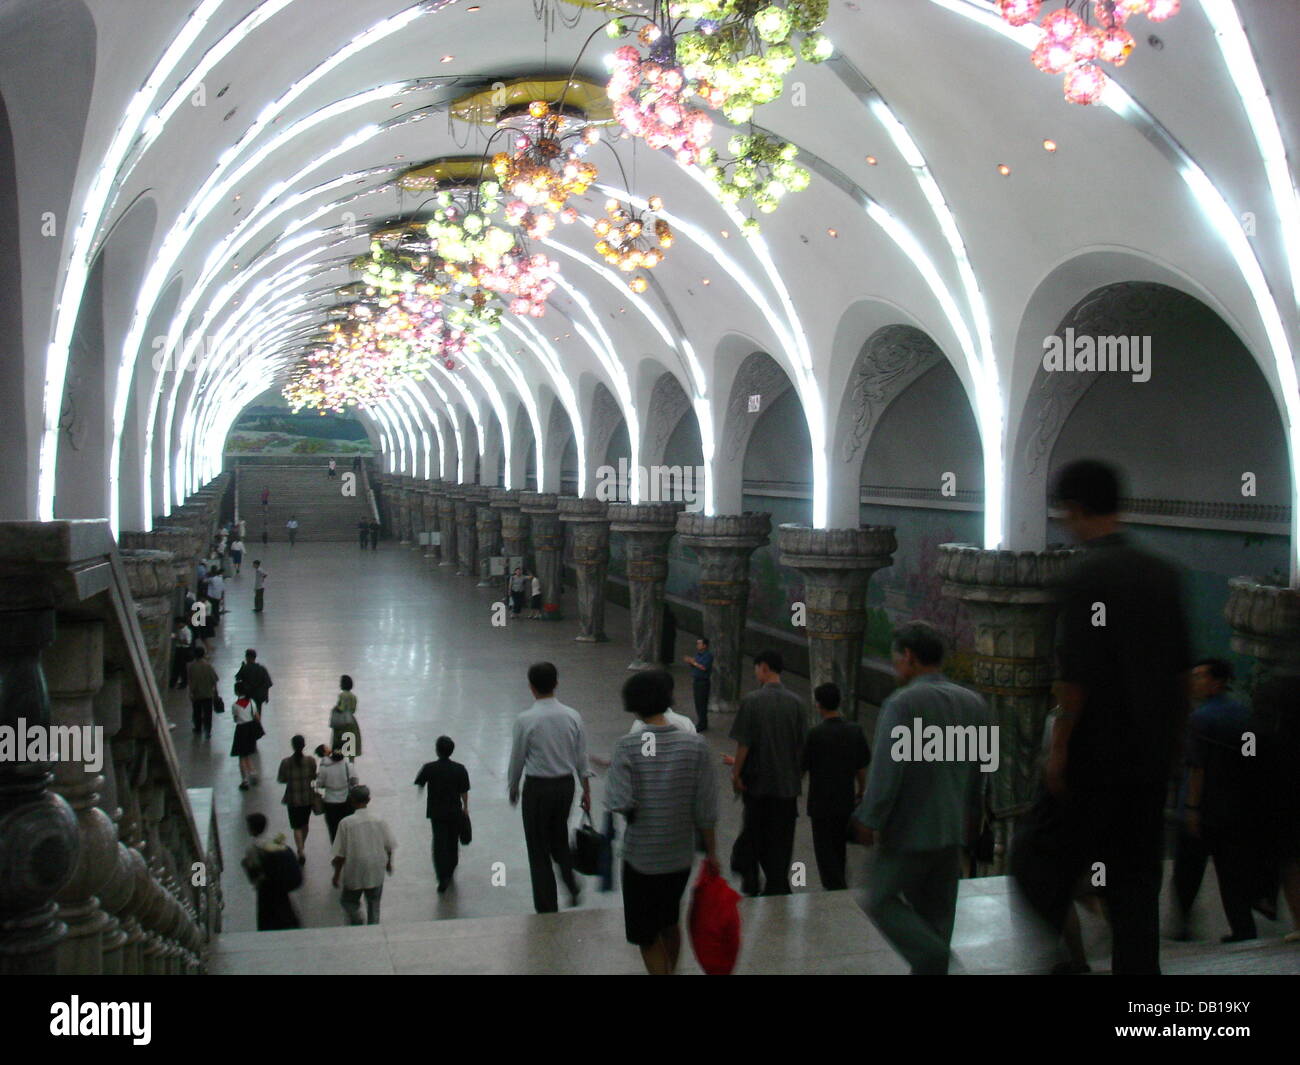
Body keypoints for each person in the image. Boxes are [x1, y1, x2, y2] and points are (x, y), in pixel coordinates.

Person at [1013, 459, 1191, 976]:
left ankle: (1067, 964)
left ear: (1074, 508)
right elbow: (1183, 674)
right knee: (1136, 882)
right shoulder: (1164, 574)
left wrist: (1060, 750)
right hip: (1148, 762)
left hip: (1094, 759)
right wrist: (1174, 746)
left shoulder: (1086, 574)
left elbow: (1077, 678)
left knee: (1033, 860)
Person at [851, 621, 990, 974]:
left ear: (909, 656)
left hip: (909, 831)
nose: (895, 665)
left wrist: (869, 818)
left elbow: (887, 768)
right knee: (938, 917)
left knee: (881, 900)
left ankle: (937, 959)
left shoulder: (904, 703)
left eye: (896, 658)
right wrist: (973, 816)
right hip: (952, 831)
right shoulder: (974, 703)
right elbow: (980, 769)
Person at [606, 668, 720, 975]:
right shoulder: (695, 746)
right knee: (670, 920)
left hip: (641, 857)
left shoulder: (627, 746)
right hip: (680, 856)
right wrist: (711, 854)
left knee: (645, 934)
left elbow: (619, 801)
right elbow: (706, 809)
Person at [1172, 658, 1258, 942]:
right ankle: (1243, 927)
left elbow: (1197, 767)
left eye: (1200, 677)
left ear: (1216, 682)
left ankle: (1182, 924)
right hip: (1234, 805)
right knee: (1232, 872)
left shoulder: (1200, 719)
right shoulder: (1243, 712)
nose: (1195, 682)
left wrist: (1192, 807)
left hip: (1203, 807)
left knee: (1188, 870)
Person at [507, 661, 592, 914]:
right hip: (565, 786)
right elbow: (581, 757)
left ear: (531, 687)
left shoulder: (525, 720)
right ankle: (571, 883)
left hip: (537, 789)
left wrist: (513, 786)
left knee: (538, 847)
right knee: (558, 837)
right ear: (556, 683)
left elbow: (518, 758)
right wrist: (586, 790)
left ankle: (546, 905)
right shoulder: (572, 715)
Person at [730, 649, 806, 896]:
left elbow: (744, 744)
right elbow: (802, 747)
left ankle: (750, 878)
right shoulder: (797, 703)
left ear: (763, 667)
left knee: (753, 830)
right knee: (782, 838)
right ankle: (778, 883)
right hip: (786, 788)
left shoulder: (752, 701)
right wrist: (796, 777)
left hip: (758, 784)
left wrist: (736, 774)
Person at [802, 682, 871, 891]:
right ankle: (839, 881)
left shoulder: (815, 734)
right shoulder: (855, 731)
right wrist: (861, 790)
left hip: (820, 802)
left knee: (824, 849)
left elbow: (803, 766)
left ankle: (834, 887)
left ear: (819, 705)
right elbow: (861, 766)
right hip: (845, 799)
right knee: (839, 846)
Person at [332, 785, 395, 925]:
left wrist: (336, 874)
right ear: (369, 800)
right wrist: (389, 863)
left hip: (354, 868)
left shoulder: (346, 823)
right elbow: (389, 845)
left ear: (352, 801)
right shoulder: (379, 820)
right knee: (374, 903)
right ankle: (373, 928)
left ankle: (357, 919)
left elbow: (340, 854)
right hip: (375, 867)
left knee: (348, 901)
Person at [414, 736, 471, 893]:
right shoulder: (460, 769)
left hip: (436, 812)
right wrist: (465, 808)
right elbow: (464, 791)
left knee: (439, 842)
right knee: (452, 841)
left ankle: (442, 876)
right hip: (454, 811)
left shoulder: (429, 768)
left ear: (437, 750)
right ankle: (451, 868)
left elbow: (420, 783)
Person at [241, 813, 301, 930]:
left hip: (266, 887)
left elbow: (254, 872)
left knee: (268, 916)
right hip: (280, 885)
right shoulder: (275, 841)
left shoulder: (253, 848)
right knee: (284, 907)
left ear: (251, 828)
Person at [277, 735, 317, 864]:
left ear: (292, 746)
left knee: (296, 826)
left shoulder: (286, 762)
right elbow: (313, 776)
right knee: (305, 824)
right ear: (304, 745)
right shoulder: (310, 761)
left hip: (293, 798)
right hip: (307, 798)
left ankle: (300, 850)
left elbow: (281, 779)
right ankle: (302, 847)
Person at [316, 749, 356, 843]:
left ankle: (336, 849)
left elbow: (320, 784)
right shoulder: (348, 766)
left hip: (330, 802)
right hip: (346, 801)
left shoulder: (325, 767)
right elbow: (355, 781)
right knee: (347, 827)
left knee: (333, 828)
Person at [230, 680, 262, 790]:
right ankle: (252, 772)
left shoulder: (235, 705)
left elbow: (235, 719)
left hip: (241, 730)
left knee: (241, 756)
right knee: (248, 754)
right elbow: (257, 717)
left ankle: (244, 780)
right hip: (250, 729)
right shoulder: (251, 702)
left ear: (237, 692)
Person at [186, 646, 218, 738]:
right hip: (208, 694)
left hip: (197, 694)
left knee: (197, 712)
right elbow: (214, 680)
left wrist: (191, 693)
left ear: (195, 655)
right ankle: (207, 731)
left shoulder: (192, 667)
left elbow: (191, 682)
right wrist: (216, 692)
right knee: (208, 714)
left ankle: (198, 728)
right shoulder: (208, 666)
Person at [683, 637, 714, 732]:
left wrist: (693, 662)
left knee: (702, 702)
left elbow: (703, 667)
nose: (697, 645)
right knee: (697, 702)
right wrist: (691, 662)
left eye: (699, 644)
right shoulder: (698, 655)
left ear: (705, 645)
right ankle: (701, 721)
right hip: (696, 680)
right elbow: (695, 664)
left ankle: (702, 723)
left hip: (703, 682)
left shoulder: (708, 655)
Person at [330, 675, 362, 757]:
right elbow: (353, 710)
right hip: (351, 722)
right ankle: (351, 766)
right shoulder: (354, 696)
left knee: (339, 745)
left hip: (342, 723)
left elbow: (342, 708)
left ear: (343, 684)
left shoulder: (342, 695)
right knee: (350, 748)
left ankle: (339, 764)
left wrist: (335, 708)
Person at [235, 648, 273, 715]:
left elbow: (237, 678)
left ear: (247, 657)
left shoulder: (245, 668)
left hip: (246, 697)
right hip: (258, 698)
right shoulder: (261, 669)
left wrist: (242, 668)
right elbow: (267, 683)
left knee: (245, 717)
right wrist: (266, 696)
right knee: (257, 716)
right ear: (254, 657)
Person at [169, 617, 193, 689]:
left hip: (183, 650)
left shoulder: (187, 631)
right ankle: (174, 682)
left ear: (182, 623)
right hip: (179, 649)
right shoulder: (179, 629)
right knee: (177, 667)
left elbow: (188, 642)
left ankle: (183, 683)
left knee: (182, 667)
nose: (177, 625)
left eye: (178, 623)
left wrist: (177, 638)